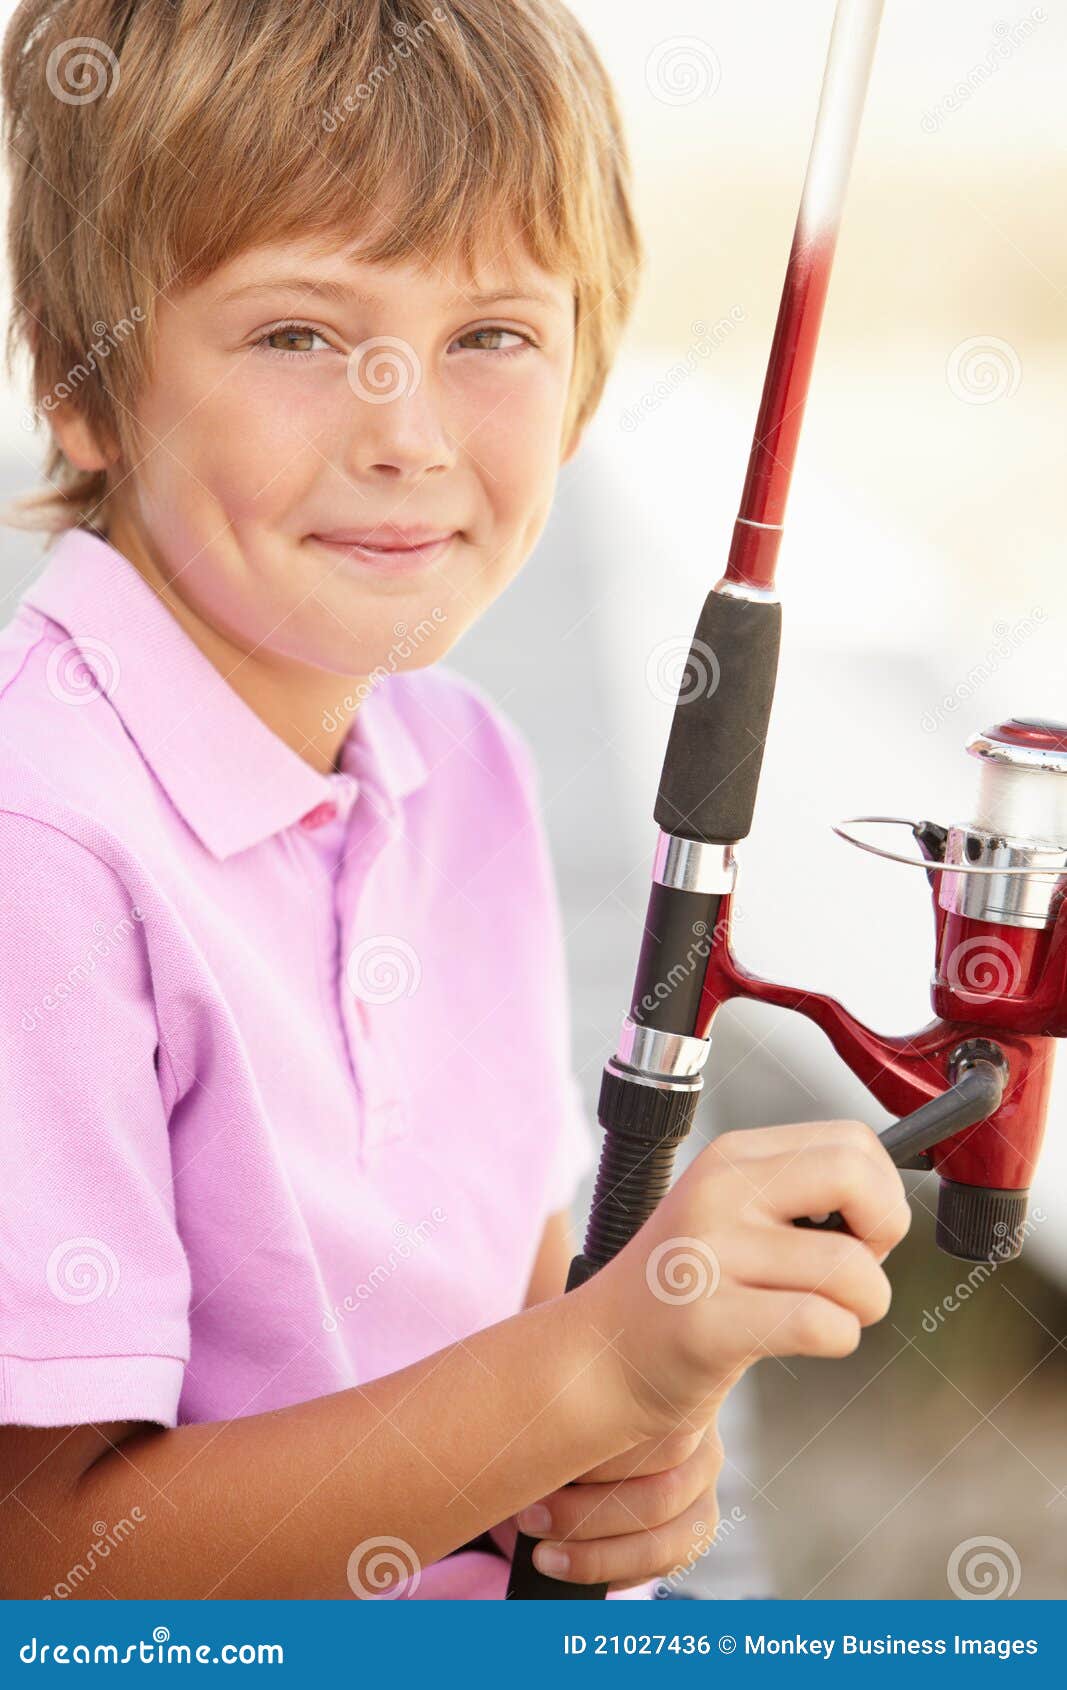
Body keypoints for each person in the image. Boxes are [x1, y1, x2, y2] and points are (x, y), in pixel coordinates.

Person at [0, 0, 911, 1600]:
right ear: (81, 388)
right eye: (297, 335)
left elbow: (509, 1299)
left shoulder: (467, 762)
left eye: (490, 335)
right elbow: (52, 1562)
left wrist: (624, 1453)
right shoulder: (41, 840)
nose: (408, 436)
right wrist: (595, 1374)